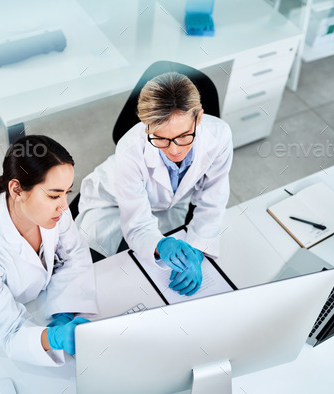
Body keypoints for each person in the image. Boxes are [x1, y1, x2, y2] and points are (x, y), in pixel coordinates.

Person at [76, 72, 233, 296]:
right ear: (146, 126)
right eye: (160, 138)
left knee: (153, 280)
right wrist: (159, 245)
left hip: (170, 203)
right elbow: (137, 223)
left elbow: (213, 201)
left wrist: (198, 251)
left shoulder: (220, 135)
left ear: (198, 118)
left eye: (184, 135)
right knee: (95, 274)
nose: (174, 150)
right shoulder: (130, 149)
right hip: (110, 200)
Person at [0, 135, 98, 367]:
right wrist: (52, 339)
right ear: (17, 189)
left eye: (66, 192)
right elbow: (7, 333)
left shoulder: (53, 212)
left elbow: (74, 256)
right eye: (53, 195)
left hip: (41, 303)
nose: (64, 206)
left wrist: (64, 311)